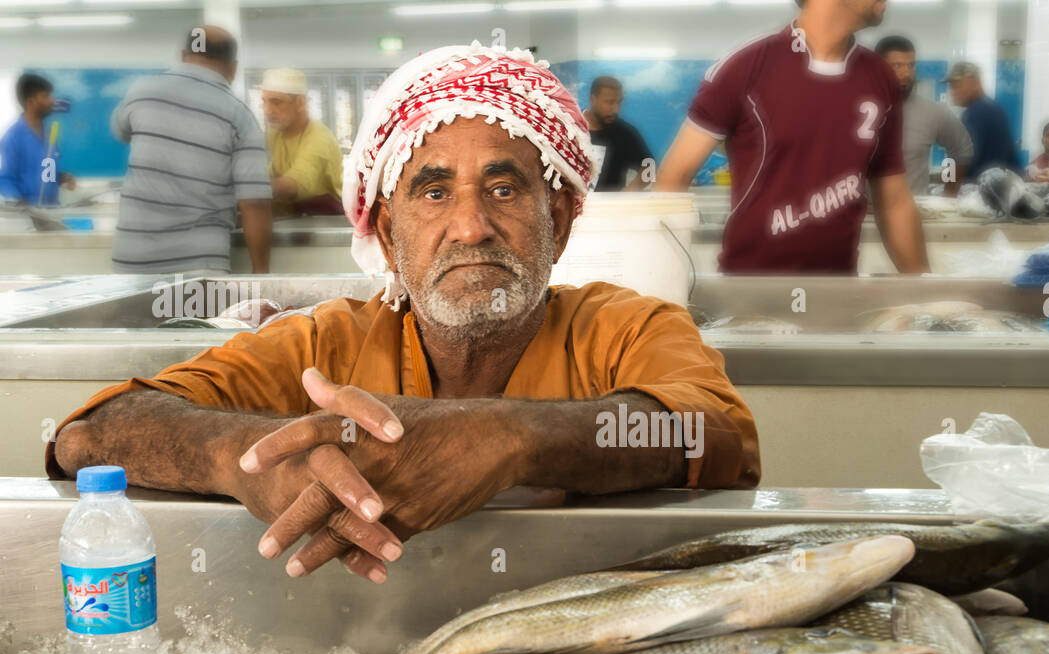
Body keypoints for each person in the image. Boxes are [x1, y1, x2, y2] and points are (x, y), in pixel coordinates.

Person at [46, 43, 761, 586]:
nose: (471, 226)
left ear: (562, 222)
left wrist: (505, 437)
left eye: (506, 190)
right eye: (433, 192)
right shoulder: (322, 344)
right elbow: (87, 437)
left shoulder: (625, 328)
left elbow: (714, 433)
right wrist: (246, 462)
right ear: (387, 233)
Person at [655, 0, 928, 275]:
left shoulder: (879, 77)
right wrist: (669, 288)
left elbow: (894, 201)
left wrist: (930, 292)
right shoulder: (746, 66)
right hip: (750, 290)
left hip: (840, 292)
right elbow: (672, 178)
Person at [110, 25, 272, 274]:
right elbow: (254, 203)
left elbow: (121, 131)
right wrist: (261, 273)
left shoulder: (141, 91)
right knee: (194, 316)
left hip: (133, 260)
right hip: (199, 266)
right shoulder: (239, 115)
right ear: (233, 67)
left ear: (184, 56)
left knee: (133, 316)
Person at [876, 35, 972, 196]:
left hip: (912, 212)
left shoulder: (933, 111)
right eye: (897, 65)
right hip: (865, 215)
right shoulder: (854, 110)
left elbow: (960, 150)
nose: (907, 73)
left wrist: (949, 192)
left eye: (911, 65)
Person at [261, 68, 345, 216]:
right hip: (294, 219)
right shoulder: (276, 133)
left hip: (327, 220)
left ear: (300, 103)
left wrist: (245, 189)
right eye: (264, 101)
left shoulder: (320, 138)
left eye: (276, 102)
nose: (268, 110)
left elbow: (296, 183)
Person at [0, 74, 75, 206]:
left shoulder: (49, 133)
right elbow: (6, 180)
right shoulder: (12, 137)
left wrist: (62, 178)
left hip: (52, 211)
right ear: (30, 102)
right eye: (46, 96)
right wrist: (20, 204)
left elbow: (48, 172)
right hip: (27, 217)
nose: (52, 101)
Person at [946, 62, 1021, 179]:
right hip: (1002, 187)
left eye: (957, 85)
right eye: (951, 86)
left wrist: (948, 179)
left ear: (975, 83)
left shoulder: (975, 113)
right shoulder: (992, 107)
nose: (952, 91)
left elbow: (963, 160)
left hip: (983, 190)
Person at [583, 76, 654, 192]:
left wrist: (628, 193)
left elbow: (650, 167)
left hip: (611, 209)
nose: (615, 109)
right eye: (609, 102)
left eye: (619, 102)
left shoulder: (625, 133)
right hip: (572, 208)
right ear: (592, 100)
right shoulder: (571, 127)